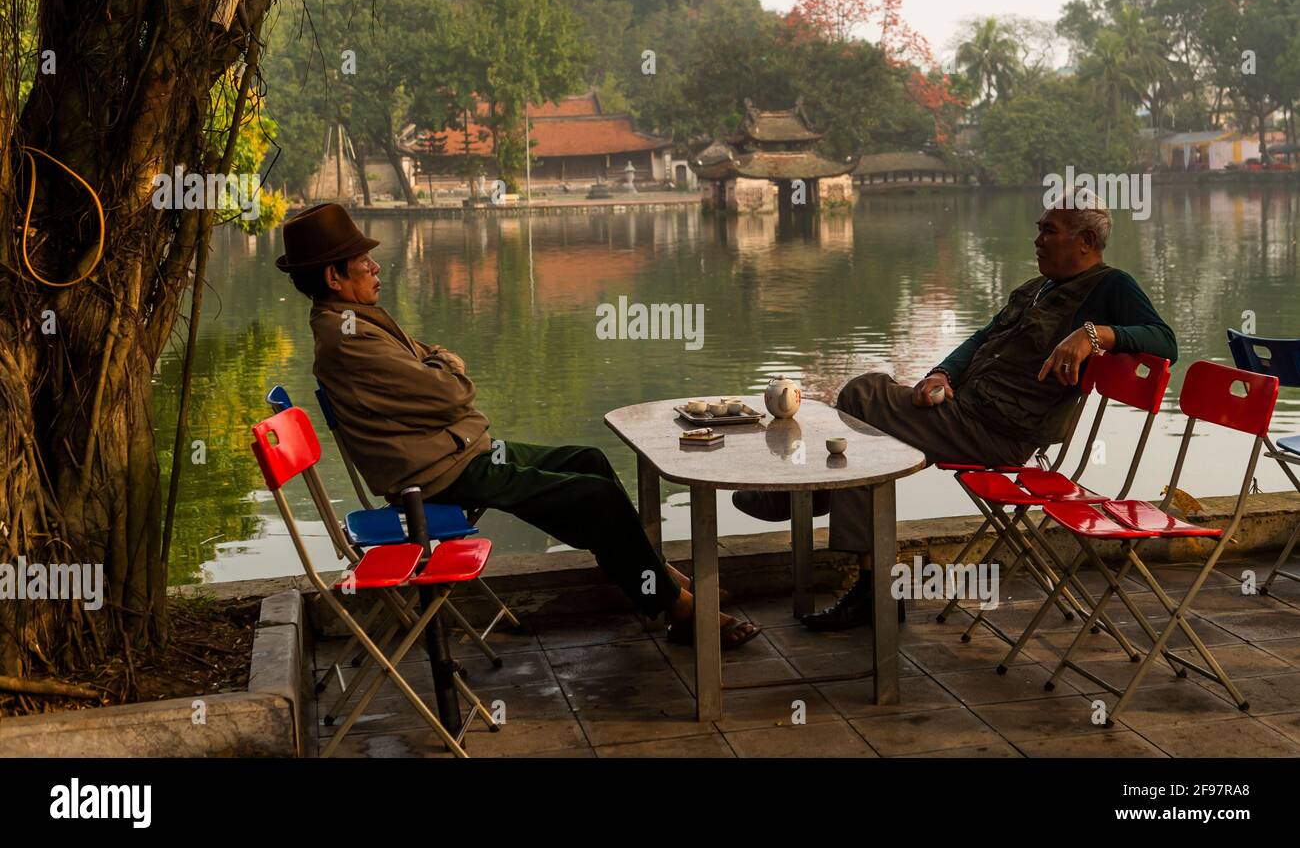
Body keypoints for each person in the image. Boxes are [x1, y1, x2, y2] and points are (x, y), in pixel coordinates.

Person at [275, 203, 761, 649]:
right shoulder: (348, 339)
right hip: (440, 476)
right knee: (597, 499)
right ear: (334, 276)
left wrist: (440, 368)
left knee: (587, 460)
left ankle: (653, 578)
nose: (376, 268)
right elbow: (453, 390)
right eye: (363, 262)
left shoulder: (359, 320)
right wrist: (445, 370)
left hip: (460, 451)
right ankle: (673, 603)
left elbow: (436, 369)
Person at [734, 191, 1177, 631]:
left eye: (1049, 231)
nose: (1037, 240)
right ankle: (862, 576)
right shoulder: (1037, 287)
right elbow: (982, 338)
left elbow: (1164, 341)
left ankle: (814, 505)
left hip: (1000, 432)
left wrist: (1095, 335)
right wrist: (942, 374)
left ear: (1084, 241)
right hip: (962, 411)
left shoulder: (1111, 286)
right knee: (869, 428)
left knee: (862, 395)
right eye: (1039, 230)